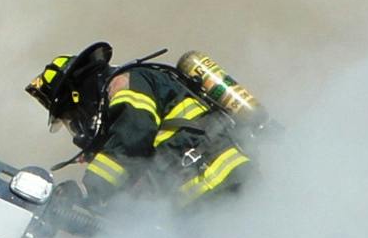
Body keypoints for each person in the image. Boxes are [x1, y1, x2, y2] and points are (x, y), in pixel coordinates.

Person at [25, 41, 257, 206]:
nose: (76, 126)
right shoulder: (128, 98)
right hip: (210, 202)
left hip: (225, 187)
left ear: (79, 94)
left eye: (71, 116)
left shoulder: (125, 83)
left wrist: (88, 190)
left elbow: (133, 134)